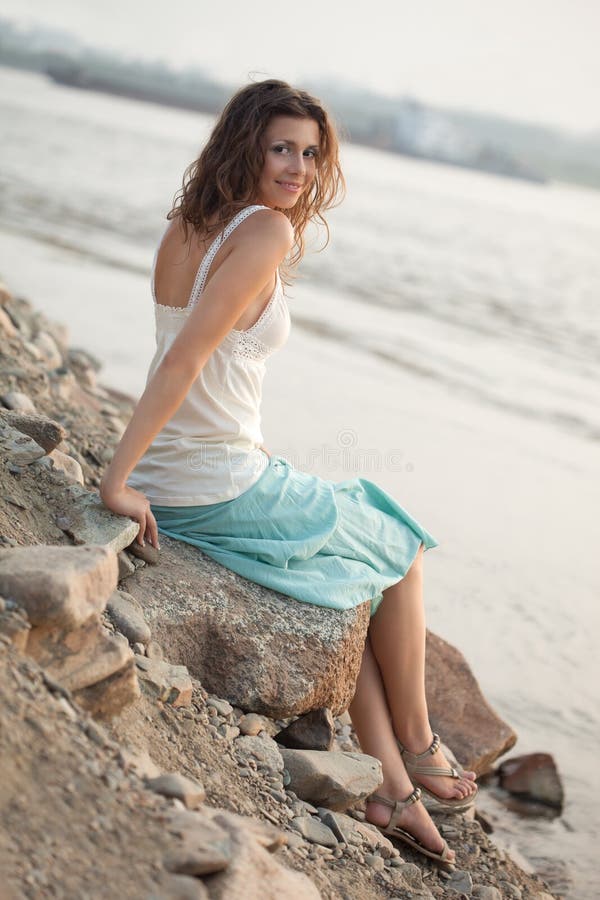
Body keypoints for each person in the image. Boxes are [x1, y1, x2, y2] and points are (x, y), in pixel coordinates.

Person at [99, 78, 477, 867]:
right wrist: (115, 478)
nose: (299, 167)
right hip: (212, 481)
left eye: (310, 153)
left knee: (361, 572)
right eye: (282, 148)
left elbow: (189, 367)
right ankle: (417, 743)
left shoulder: (187, 223)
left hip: (198, 471)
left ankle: (392, 796)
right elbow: (185, 361)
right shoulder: (264, 230)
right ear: (248, 145)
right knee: (400, 539)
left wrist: (144, 471)